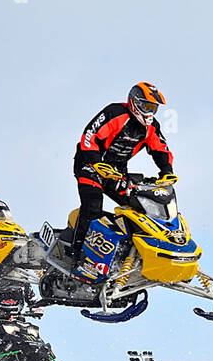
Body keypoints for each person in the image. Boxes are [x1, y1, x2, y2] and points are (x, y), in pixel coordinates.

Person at [69, 83, 177, 268]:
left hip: (116, 171)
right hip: (89, 164)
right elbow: (89, 135)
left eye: (154, 108)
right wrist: (96, 162)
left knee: (140, 206)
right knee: (92, 205)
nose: (150, 112)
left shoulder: (151, 127)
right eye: (147, 106)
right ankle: (76, 254)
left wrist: (166, 171)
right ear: (135, 102)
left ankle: (129, 253)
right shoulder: (115, 113)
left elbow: (160, 149)